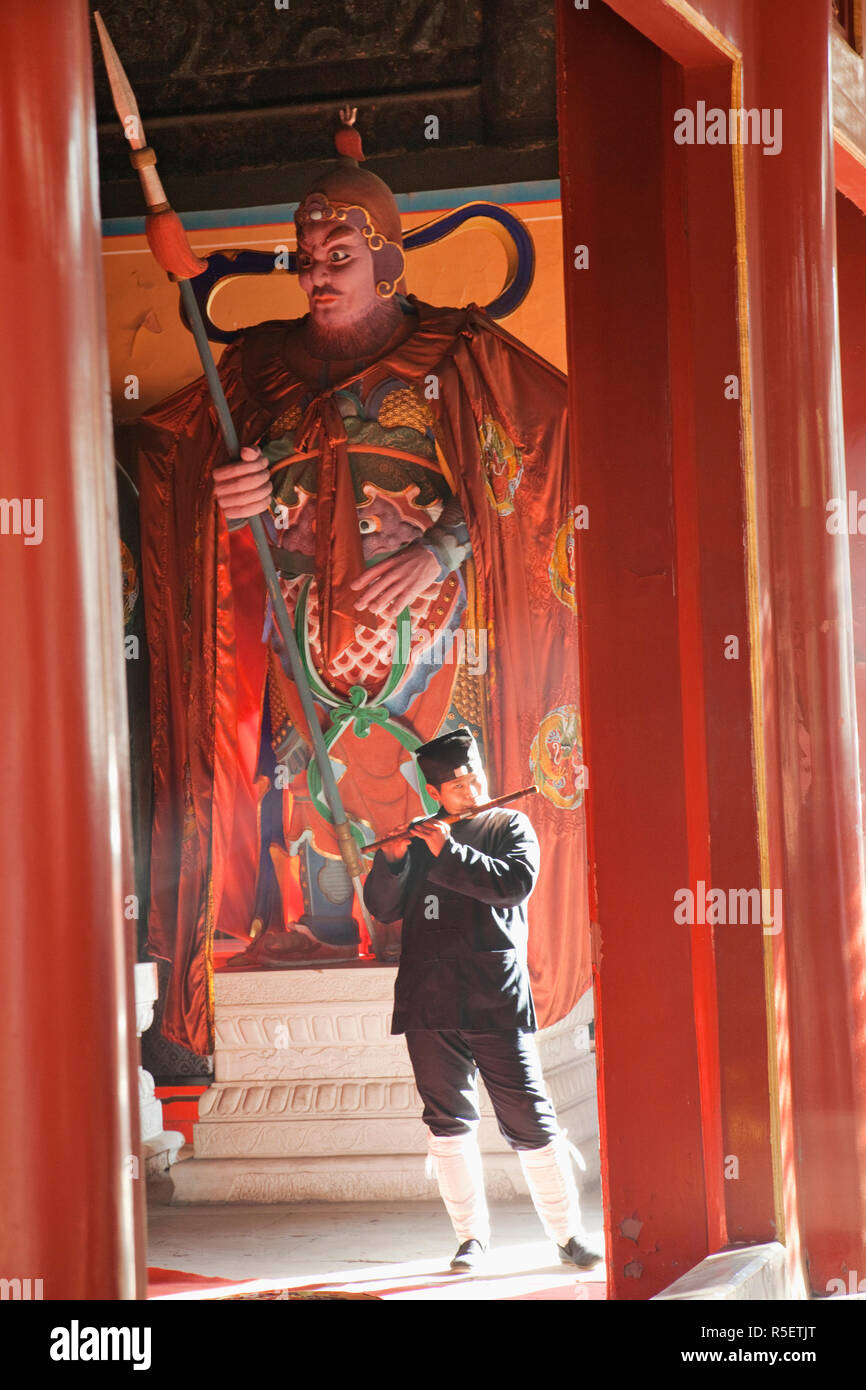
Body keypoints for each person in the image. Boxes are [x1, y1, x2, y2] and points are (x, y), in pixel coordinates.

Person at [138, 106, 588, 1056]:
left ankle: (443, 931)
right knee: (305, 779)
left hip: (428, 622)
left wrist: (446, 546)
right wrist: (229, 490)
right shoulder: (258, 369)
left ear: (387, 259)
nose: (314, 272)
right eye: (305, 254)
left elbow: (548, 448)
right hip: (303, 619)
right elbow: (185, 468)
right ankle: (328, 926)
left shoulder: (454, 355)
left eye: (337, 252)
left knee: (432, 775)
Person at [362, 727, 601, 1271]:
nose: (469, 789)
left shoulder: (508, 825)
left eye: (473, 778)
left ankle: (567, 1235)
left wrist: (450, 848)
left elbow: (513, 884)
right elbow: (383, 908)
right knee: (446, 1121)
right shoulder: (421, 839)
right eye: (455, 784)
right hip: (429, 999)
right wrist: (396, 860)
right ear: (435, 793)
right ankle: (471, 1238)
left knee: (529, 1116)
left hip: (494, 993)